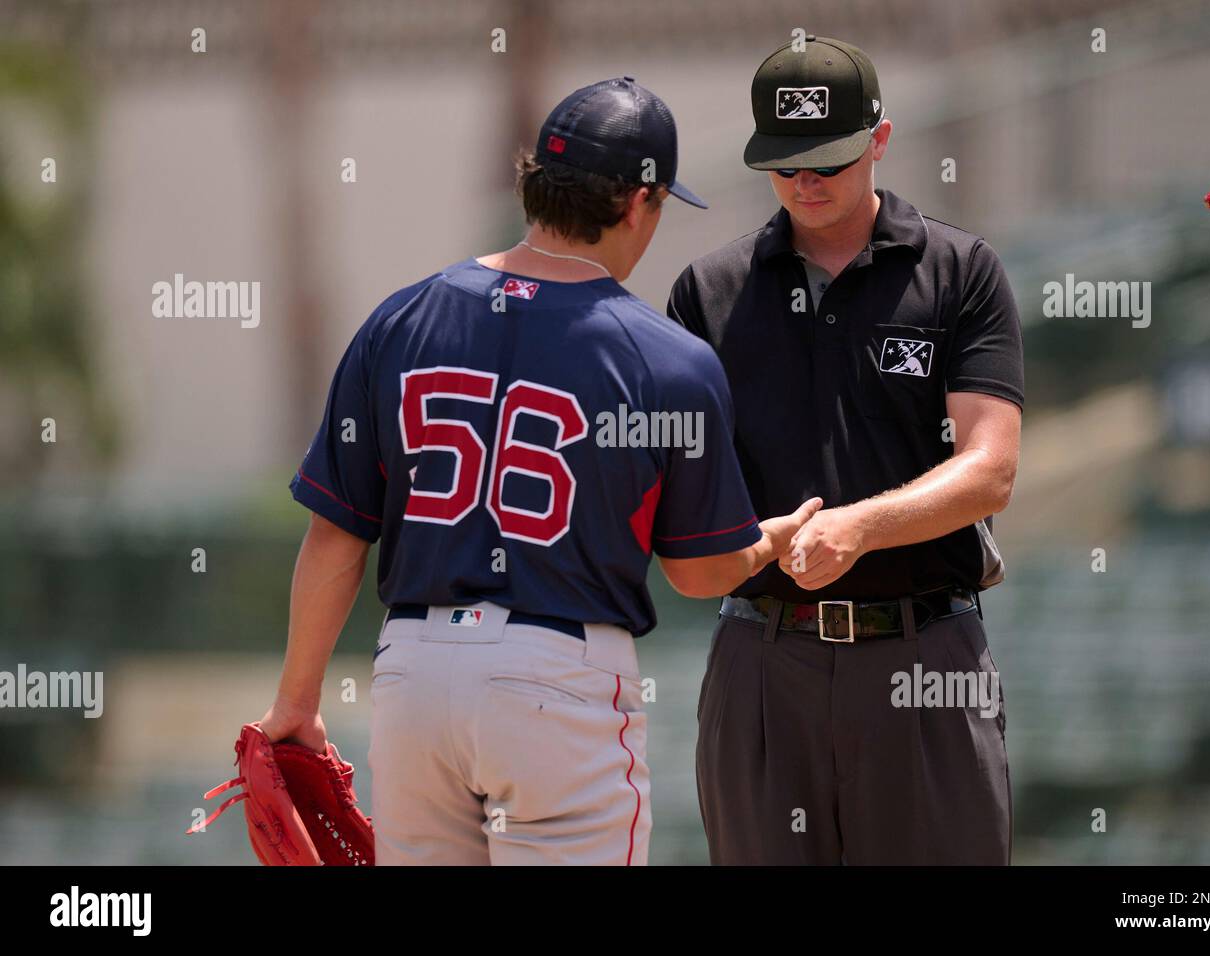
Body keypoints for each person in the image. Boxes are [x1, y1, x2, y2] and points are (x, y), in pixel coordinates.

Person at [257, 77, 820, 865]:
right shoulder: (669, 360)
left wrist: (297, 701)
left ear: (536, 188)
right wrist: (768, 543)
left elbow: (336, 536)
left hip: (412, 676)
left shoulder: (400, 319)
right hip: (557, 681)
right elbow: (702, 571)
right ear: (638, 204)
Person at [667, 36, 1024, 865]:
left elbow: (992, 468)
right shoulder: (708, 292)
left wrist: (858, 526)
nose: (806, 180)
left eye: (827, 157)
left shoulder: (960, 270)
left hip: (924, 653)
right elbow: (682, 488)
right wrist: (745, 542)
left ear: (881, 138)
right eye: (786, 162)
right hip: (762, 656)